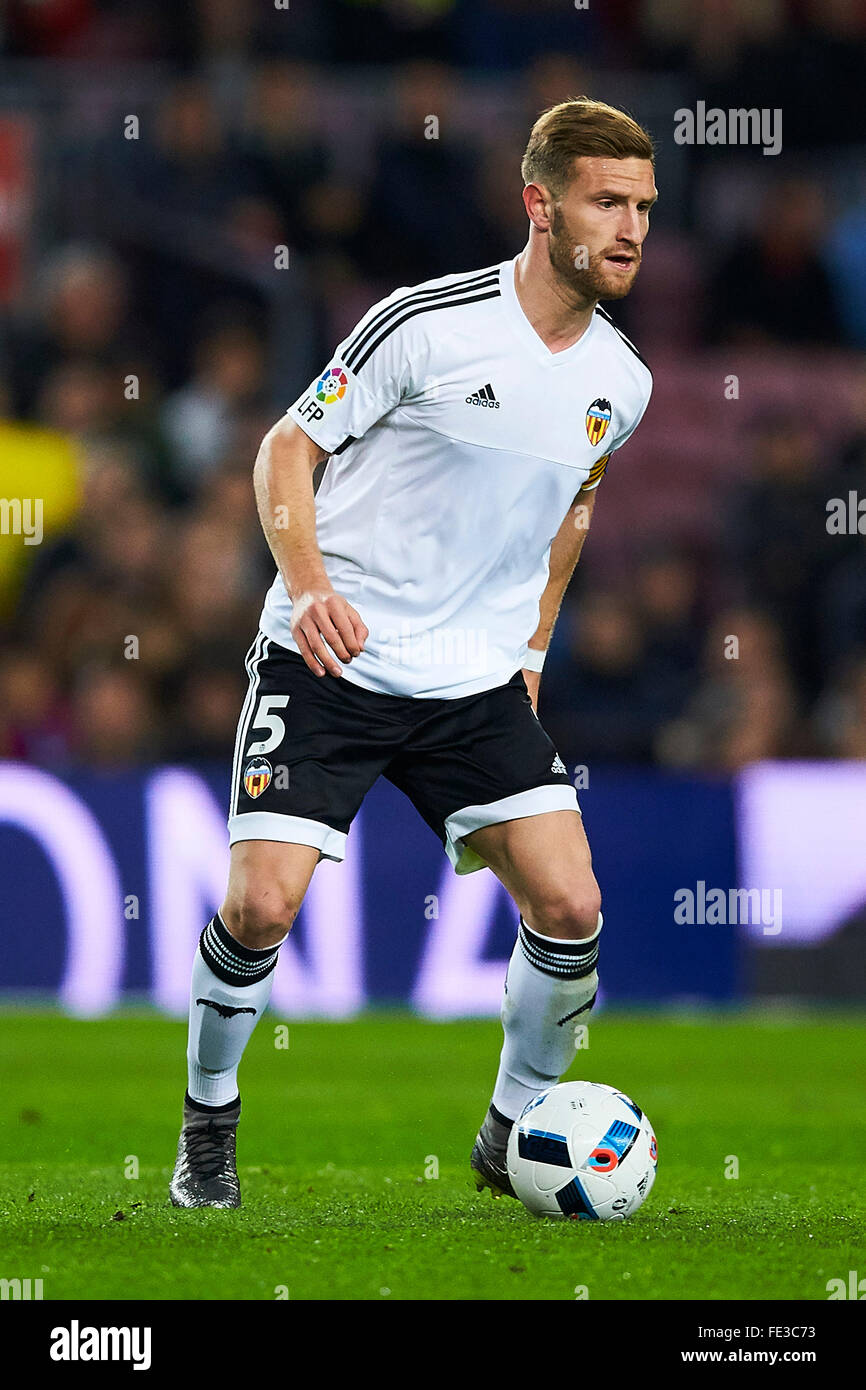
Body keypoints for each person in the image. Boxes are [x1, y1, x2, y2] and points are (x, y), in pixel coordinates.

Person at [169, 97, 657, 1208]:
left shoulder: (620, 382)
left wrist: (530, 647)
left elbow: (572, 508)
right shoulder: (424, 323)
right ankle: (207, 1126)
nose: (630, 228)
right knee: (258, 910)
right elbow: (284, 448)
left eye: (642, 207)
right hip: (331, 657)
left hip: (472, 682)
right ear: (540, 205)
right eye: (606, 202)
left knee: (571, 907)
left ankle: (507, 1128)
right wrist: (310, 588)